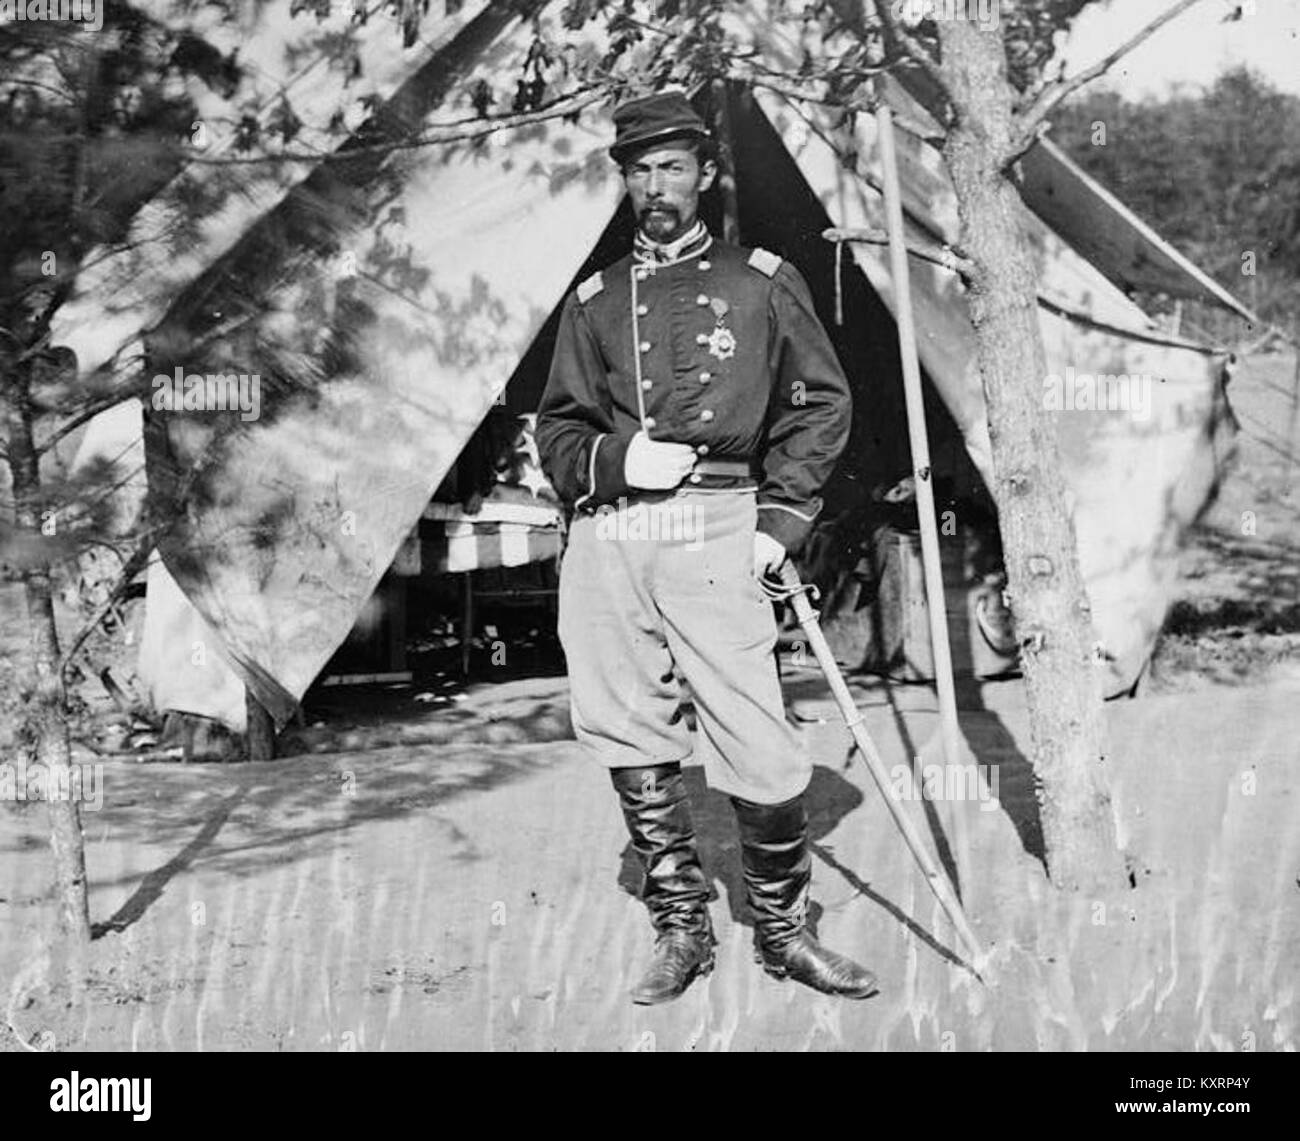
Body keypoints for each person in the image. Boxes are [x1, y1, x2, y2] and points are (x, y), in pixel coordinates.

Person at [536, 89, 879, 1005]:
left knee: (757, 739)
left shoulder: (758, 279)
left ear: (705, 175)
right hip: (613, 538)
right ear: (625, 182)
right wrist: (617, 458)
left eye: (673, 168)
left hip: (718, 527)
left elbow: (822, 404)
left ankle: (783, 932)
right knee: (627, 725)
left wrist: (781, 521)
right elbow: (558, 432)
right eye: (640, 170)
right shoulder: (595, 301)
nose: (657, 186)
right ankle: (682, 925)